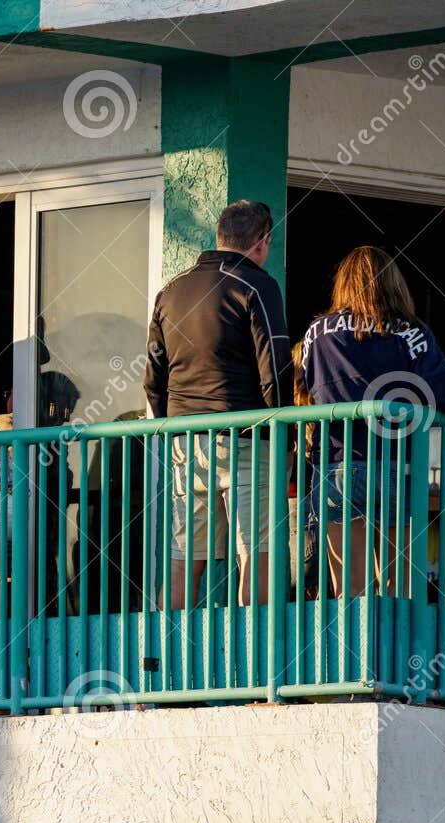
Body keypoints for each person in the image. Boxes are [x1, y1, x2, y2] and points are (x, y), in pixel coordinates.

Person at [143, 199, 292, 608]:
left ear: (219, 236)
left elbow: (153, 378)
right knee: (255, 554)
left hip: (185, 444)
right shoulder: (257, 285)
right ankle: (253, 664)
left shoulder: (170, 291)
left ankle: (164, 657)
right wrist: (283, 435)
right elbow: (275, 370)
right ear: (262, 242)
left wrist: (171, 426)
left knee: (183, 557)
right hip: (245, 438)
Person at [299, 245, 445, 595]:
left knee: (348, 590)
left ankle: (349, 650)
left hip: (335, 463)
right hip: (395, 466)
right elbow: (441, 389)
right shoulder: (410, 331)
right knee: (399, 589)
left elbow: (304, 387)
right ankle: (396, 652)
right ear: (394, 284)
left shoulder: (316, 333)